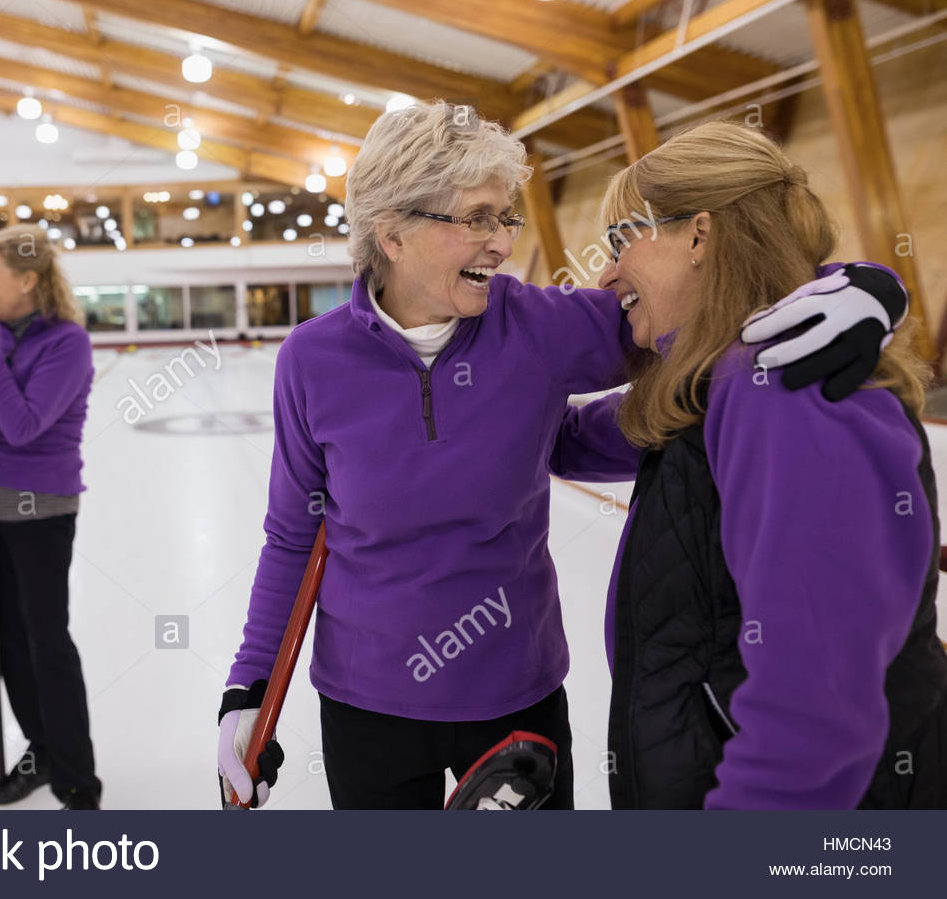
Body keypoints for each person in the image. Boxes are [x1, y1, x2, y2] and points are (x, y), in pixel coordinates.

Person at [217, 101, 908, 810]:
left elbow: (724, 290)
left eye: (506, 217)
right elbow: (293, 535)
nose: (503, 242)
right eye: (478, 217)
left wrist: (861, 282)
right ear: (392, 232)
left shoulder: (539, 327)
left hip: (515, 697)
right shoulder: (314, 360)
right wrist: (251, 686)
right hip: (368, 702)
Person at [582, 121, 947, 808]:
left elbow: (816, 716)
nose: (603, 273)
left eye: (620, 241)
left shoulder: (787, 383)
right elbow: (566, 434)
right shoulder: (712, 381)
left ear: (699, 234)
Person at [0, 225, 101, 810]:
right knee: (8, 640)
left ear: (28, 279)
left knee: (46, 641)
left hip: (42, 511)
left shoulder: (67, 343)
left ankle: (76, 777)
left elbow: (24, 426)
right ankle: (39, 752)